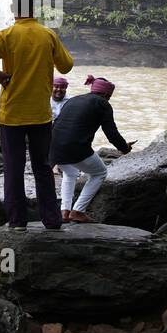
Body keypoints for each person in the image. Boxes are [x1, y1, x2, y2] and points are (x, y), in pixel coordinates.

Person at [0, 0, 74, 230]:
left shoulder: (5, 36)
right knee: (43, 168)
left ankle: (17, 222)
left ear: (12, 9)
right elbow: (67, 67)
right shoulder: (47, 35)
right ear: (35, 9)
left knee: (13, 170)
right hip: (40, 115)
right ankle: (51, 219)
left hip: (12, 115)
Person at [50, 75, 134, 223]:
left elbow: (58, 124)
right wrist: (124, 148)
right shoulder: (103, 104)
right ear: (106, 94)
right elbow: (111, 133)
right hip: (75, 147)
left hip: (54, 147)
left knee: (70, 173)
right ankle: (78, 211)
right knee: (100, 173)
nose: (108, 99)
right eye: (109, 97)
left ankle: (65, 211)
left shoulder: (74, 99)